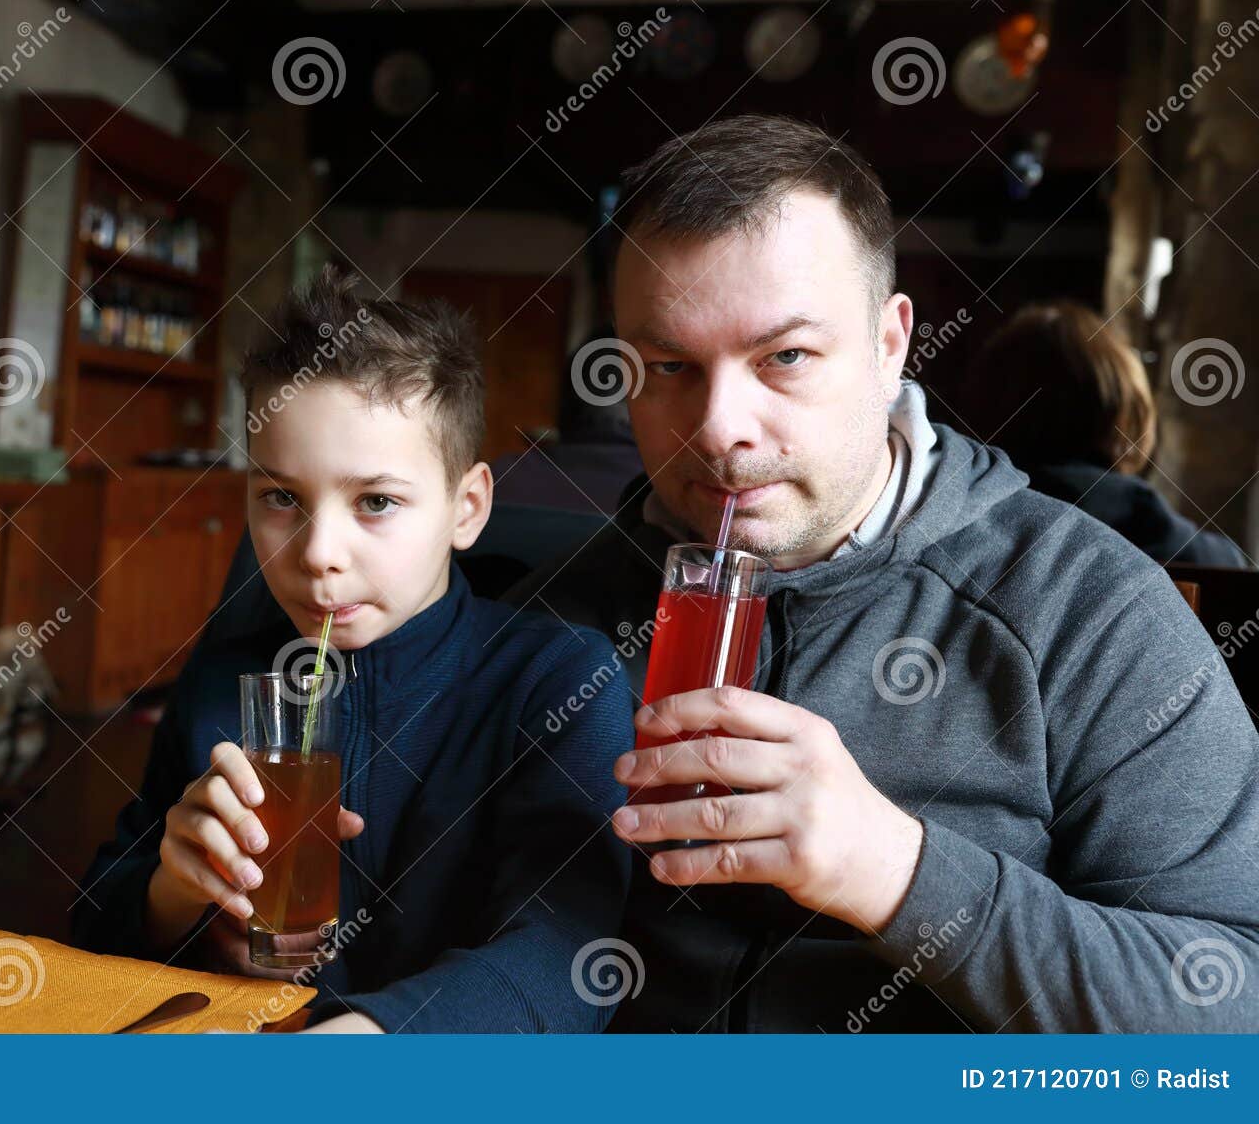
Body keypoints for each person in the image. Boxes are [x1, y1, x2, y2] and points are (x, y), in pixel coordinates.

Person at [508, 114, 1259, 1032]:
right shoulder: (549, 617)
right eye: (669, 366)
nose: (718, 428)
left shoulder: (1092, 611)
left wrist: (896, 870)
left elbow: (1233, 1007)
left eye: (784, 357)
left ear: (891, 342)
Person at [73, 269, 632, 1033]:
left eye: (375, 501)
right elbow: (91, 924)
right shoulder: (226, 673)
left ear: (466, 507)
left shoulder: (558, 679)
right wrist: (176, 892)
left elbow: (567, 955)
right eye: (281, 498)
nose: (318, 554)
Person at [948, 299, 1247, 567]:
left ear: (984, 400)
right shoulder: (1152, 527)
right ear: (1124, 404)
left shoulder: (957, 519)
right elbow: (1228, 571)